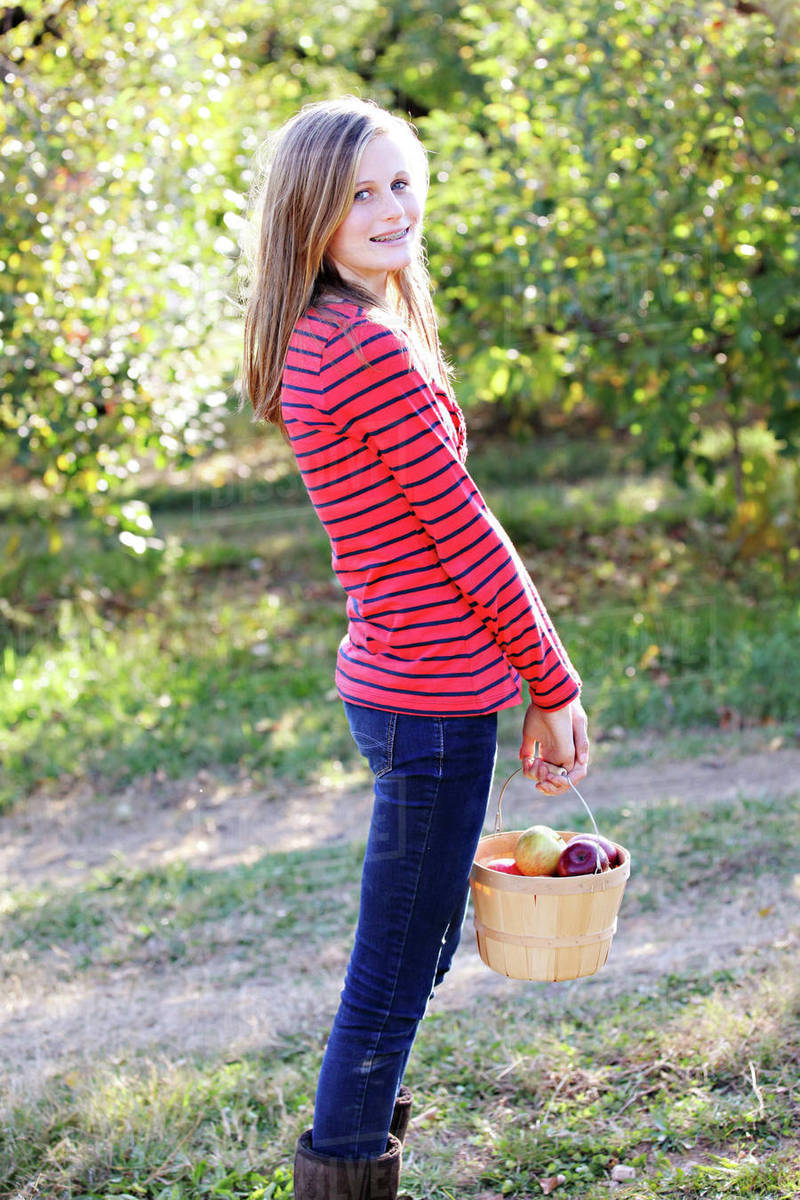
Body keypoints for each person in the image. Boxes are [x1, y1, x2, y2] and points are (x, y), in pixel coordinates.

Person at [241, 96, 588, 1200]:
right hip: (428, 696)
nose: (392, 208)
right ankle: (344, 1163)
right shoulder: (360, 349)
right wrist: (552, 682)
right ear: (311, 216)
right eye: (360, 193)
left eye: (400, 182)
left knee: (417, 943)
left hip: (406, 684)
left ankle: (355, 1131)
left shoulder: (329, 330)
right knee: (398, 961)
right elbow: (465, 532)